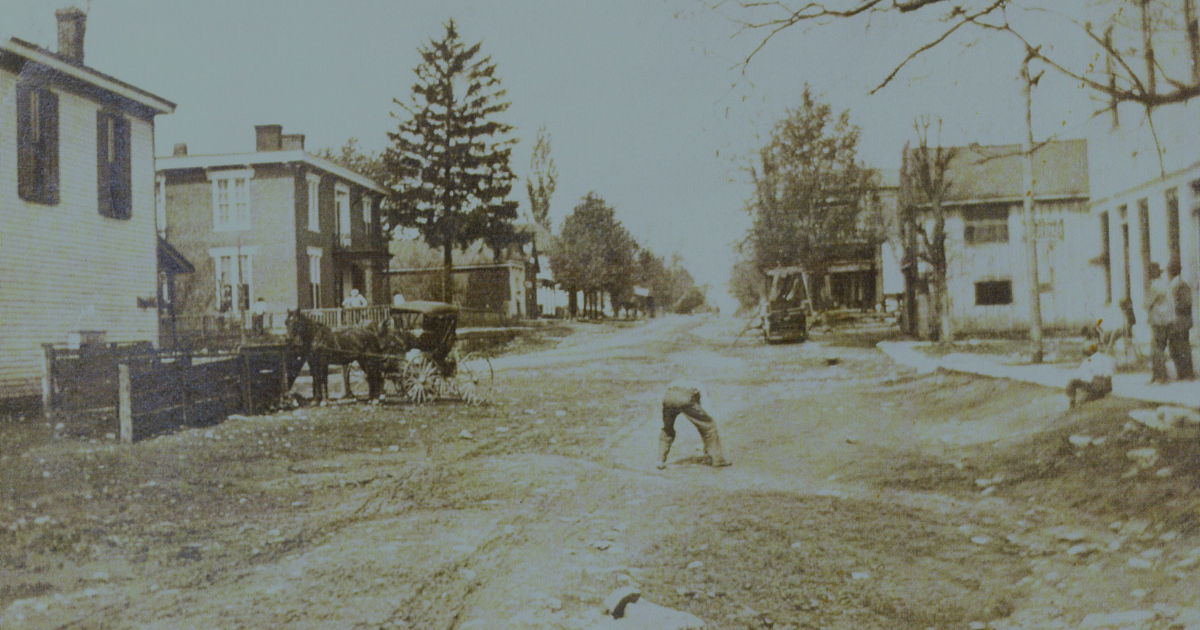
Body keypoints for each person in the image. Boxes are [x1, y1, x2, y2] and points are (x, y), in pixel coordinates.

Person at [657, 380, 731, 470]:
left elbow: (666, 395)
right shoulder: (701, 387)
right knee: (709, 426)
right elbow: (706, 407)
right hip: (684, 398)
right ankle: (718, 460)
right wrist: (710, 420)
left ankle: (660, 461)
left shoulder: (677, 382)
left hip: (667, 398)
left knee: (667, 429)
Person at [1167, 256, 1195, 380]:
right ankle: (1182, 373)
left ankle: (1187, 373)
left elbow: (1186, 303)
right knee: (1175, 348)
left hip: (1181, 321)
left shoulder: (1181, 285)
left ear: (1173, 271)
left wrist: (1173, 307)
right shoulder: (1173, 284)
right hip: (1175, 321)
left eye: (1169, 270)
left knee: (1183, 348)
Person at [1145, 262, 1174, 383]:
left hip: (1157, 320)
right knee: (1160, 347)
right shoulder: (1165, 284)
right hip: (1167, 320)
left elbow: (1147, 304)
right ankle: (1159, 376)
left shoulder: (1155, 286)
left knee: (1156, 349)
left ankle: (1160, 376)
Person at [1066, 344, 1115, 408]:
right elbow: (1110, 374)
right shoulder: (1107, 358)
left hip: (1096, 386)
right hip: (1107, 387)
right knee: (1085, 397)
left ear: (1091, 351)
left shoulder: (1089, 360)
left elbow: (1078, 374)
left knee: (1072, 382)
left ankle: (1072, 404)